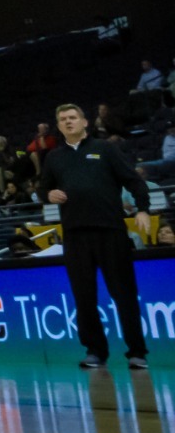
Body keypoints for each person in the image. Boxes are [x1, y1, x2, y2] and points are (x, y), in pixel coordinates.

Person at [40, 102, 151, 369]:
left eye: (73, 117)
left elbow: (134, 180)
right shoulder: (54, 157)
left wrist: (143, 209)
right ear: (59, 126)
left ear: (84, 122)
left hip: (110, 231)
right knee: (83, 297)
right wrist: (48, 195)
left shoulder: (105, 148)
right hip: (76, 236)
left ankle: (137, 351)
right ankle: (95, 351)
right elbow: (41, 190)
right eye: (63, 119)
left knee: (124, 293)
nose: (68, 122)